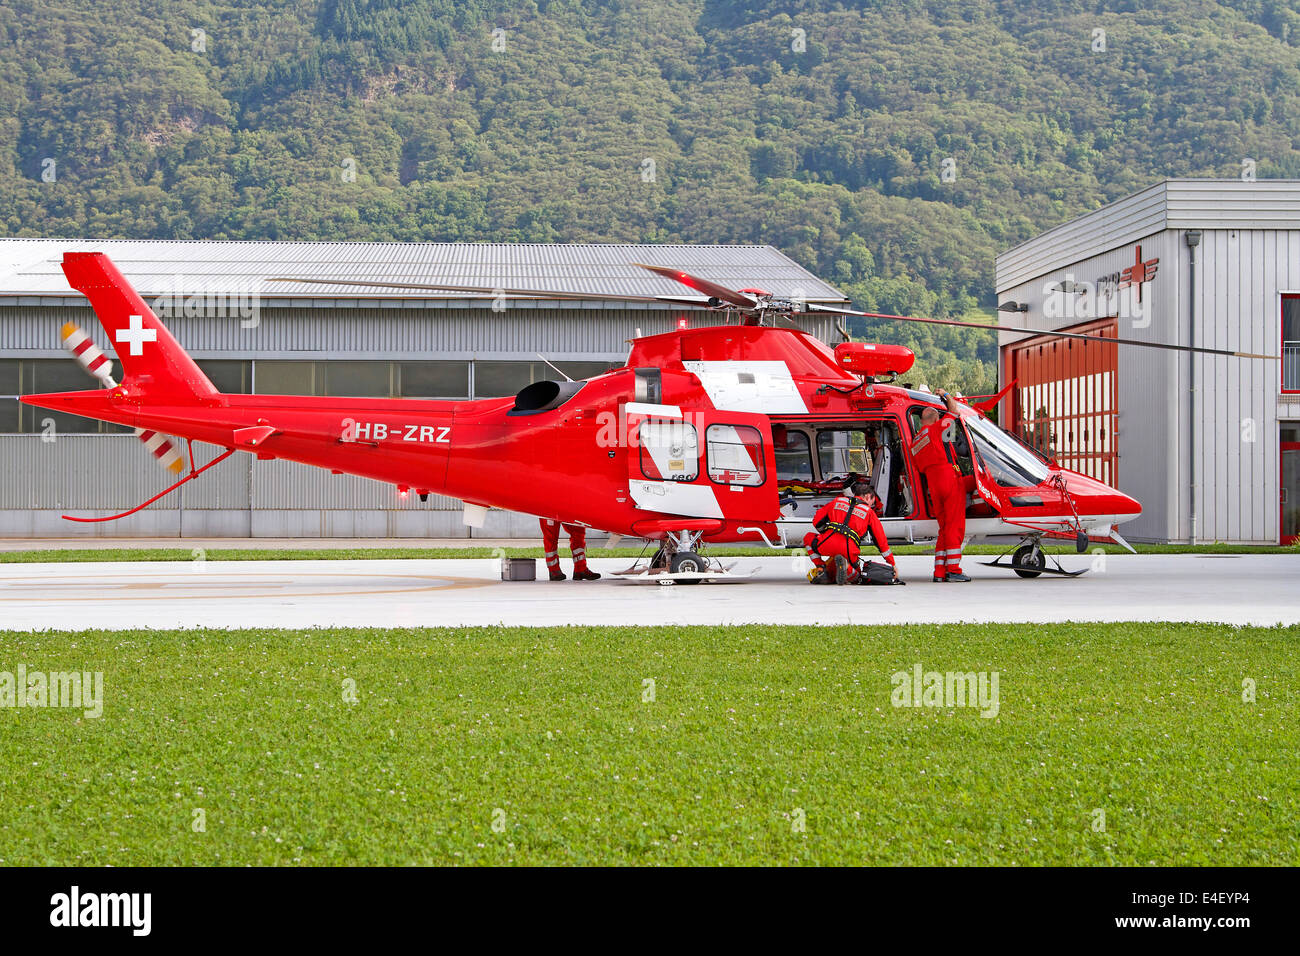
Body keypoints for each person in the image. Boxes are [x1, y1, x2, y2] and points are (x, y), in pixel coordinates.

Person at [910, 391, 971, 582]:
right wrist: (945, 394)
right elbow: (955, 411)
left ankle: (939, 572)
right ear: (935, 417)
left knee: (944, 528)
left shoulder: (916, 442)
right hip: (948, 478)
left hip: (933, 484)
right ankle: (953, 569)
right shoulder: (937, 429)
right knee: (955, 525)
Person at [803, 478, 899, 585]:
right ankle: (848, 569)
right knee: (858, 576)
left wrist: (825, 533)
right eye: (873, 501)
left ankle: (821, 568)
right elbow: (880, 541)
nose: (872, 505)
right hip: (849, 549)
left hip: (826, 542)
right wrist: (892, 563)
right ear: (867, 496)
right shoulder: (869, 512)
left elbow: (817, 521)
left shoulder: (838, 501)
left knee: (808, 538)